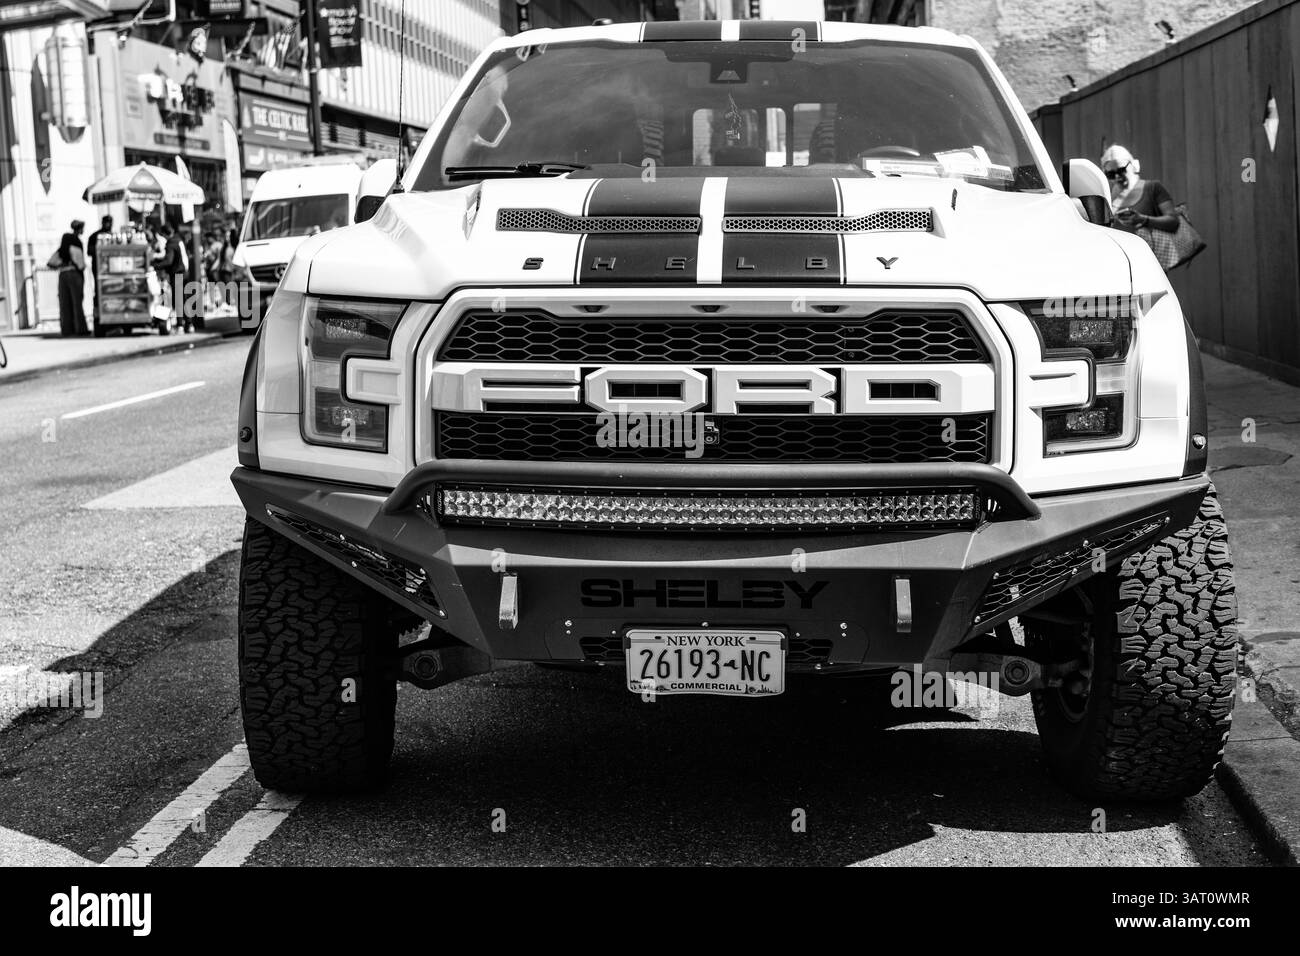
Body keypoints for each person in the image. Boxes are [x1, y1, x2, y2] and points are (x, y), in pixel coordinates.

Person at [1100, 144, 1178, 235]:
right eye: (1111, 174)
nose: (1117, 177)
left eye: (1121, 170)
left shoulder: (1152, 188)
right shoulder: (1106, 195)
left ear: (1133, 165)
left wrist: (1143, 219)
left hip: (1149, 248)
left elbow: (1173, 221)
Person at [54, 219, 88, 337]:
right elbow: (79, 261)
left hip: (62, 274)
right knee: (76, 301)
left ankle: (67, 329)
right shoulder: (76, 241)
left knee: (65, 302)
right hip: (73, 274)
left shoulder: (65, 240)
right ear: (79, 229)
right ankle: (80, 328)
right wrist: (82, 267)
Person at [87, 215, 113, 329]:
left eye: (110, 222)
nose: (108, 224)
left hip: (112, 270)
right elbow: (89, 251)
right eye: (107, 222)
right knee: (100, 292)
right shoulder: (95, 236)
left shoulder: (114, 235)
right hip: (99, 270)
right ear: (103, 223)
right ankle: (99, 315)